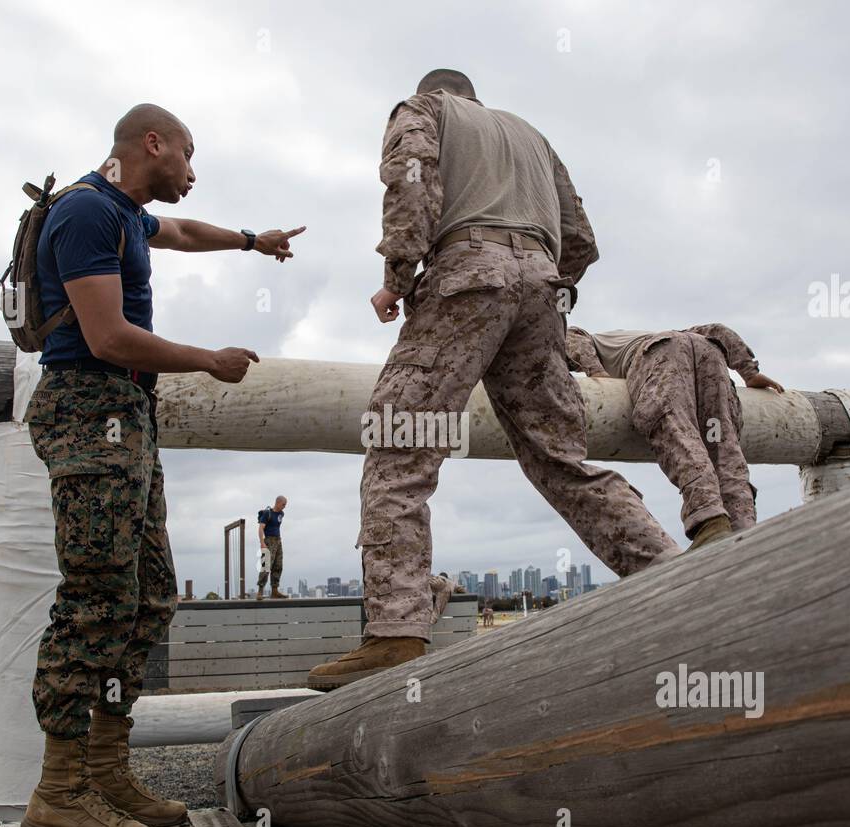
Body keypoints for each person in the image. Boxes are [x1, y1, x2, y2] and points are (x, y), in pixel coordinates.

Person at [307, 69, 678, 691]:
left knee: (401, 445)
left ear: (439, 91)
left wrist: (398, 276)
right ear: (475, 96)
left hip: (466, 274)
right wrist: (541, 273)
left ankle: (396, 634)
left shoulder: (422, 108)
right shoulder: (531, 135)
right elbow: (581, 238)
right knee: (561, 455)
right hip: (543, 284)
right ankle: (671, 577)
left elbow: (412, 179)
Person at [20, 103, 305, 827]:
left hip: (126, 418)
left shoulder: (124, 212)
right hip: (89, 413)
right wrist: (210, 360)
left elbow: (182, 231)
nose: (192, 168)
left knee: (146, 597)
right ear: (154, 143)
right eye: (187, 152)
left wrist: (252, 240)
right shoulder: (84, 212)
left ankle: (108, 772)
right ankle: (57, 792)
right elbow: (107, 336)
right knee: (92, 598)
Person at [566, 324, 783, 548]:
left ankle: (710, 519)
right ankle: (743, 524)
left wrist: (596, 373)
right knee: (722, 441)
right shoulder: (657, 333)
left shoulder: (597, 341)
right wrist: (750, 372)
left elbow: (573, 335)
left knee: (676, 431)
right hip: (708, 352)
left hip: (658, 356)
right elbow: (717, 331)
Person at [255, 496, 288, 600]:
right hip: (269, 540)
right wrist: (262, 542)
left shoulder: (281, 514)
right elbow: (261, 528)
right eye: (283, 504)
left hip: (278, 541)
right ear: (278, 502)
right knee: (266, 566)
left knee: (278, 565)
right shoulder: (267, 513)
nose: (284, 507)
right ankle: (260, 591)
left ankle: (274, 591)